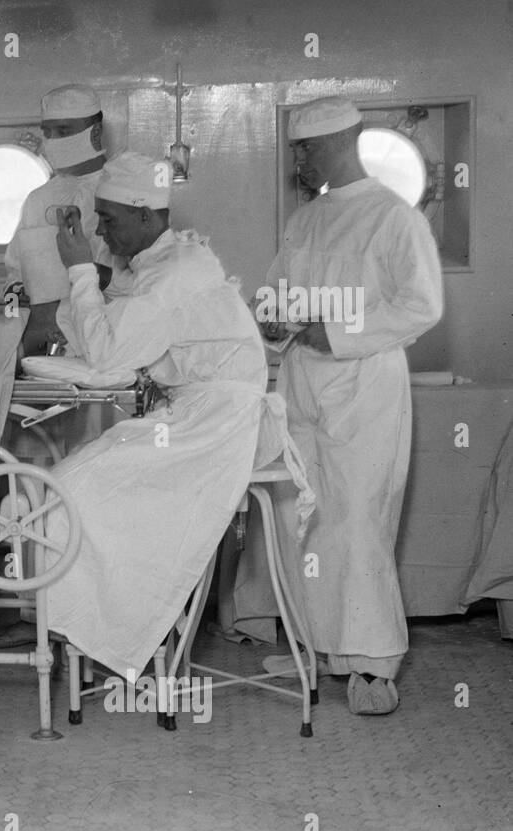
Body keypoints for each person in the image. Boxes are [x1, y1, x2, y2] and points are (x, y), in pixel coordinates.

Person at [40, 153, 295, 686]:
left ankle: (102, 635)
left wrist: (80, 268)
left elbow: (109, 354)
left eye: (108, 219)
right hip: (199, 415)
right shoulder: (164, 264)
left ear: (145, 216)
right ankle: (94, 633)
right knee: (75, 488)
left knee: (70, 491)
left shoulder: (175, 272)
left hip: (215, 426)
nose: (100, 230)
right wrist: (93, 276)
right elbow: (105, 328)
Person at [244, 96, 444, 715]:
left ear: (344, 141)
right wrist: (270, 318)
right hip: (301, 380)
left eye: (307, 148)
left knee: (359, 519)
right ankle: (318, 646)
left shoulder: (393, 217)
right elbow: (274, 293)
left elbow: (422, 305)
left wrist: (339, 332)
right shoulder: (306, 219)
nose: (298, 160)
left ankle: (374, 666)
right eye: (295, 149)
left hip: (364, 385)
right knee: (300, 514)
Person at [4, 84, 115, 355]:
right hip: (43, 343)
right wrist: (13, 303)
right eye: (47, 132)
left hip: (106, 338)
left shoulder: (122, 191)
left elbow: (139, 282)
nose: (51, 141)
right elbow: (13, 275)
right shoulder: (37, 199)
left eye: (63, 131)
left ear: (96, 132)